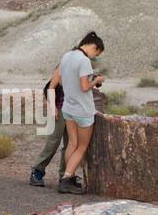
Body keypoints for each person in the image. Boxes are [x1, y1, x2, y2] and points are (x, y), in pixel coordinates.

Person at [56, 31, 105, 194]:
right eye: (96, 54)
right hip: (82, 110)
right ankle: (66, 180)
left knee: (72, 143)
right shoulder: (84, 61)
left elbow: (62, 81)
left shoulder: (67, 56)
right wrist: (96, 81)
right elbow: (84, 87)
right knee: (82, 147)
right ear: (94, 47)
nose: (93, 57)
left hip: (68, 108)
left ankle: (66, 176)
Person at [28, 66, 66, 187]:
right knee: (53, 142)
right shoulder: (63, 65)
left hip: (75, 113)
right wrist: (53, 107)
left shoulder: (82, 65)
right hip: (59, 110)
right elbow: (51, 87)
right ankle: (37, 171)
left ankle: (65, 176)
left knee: (70, 145)